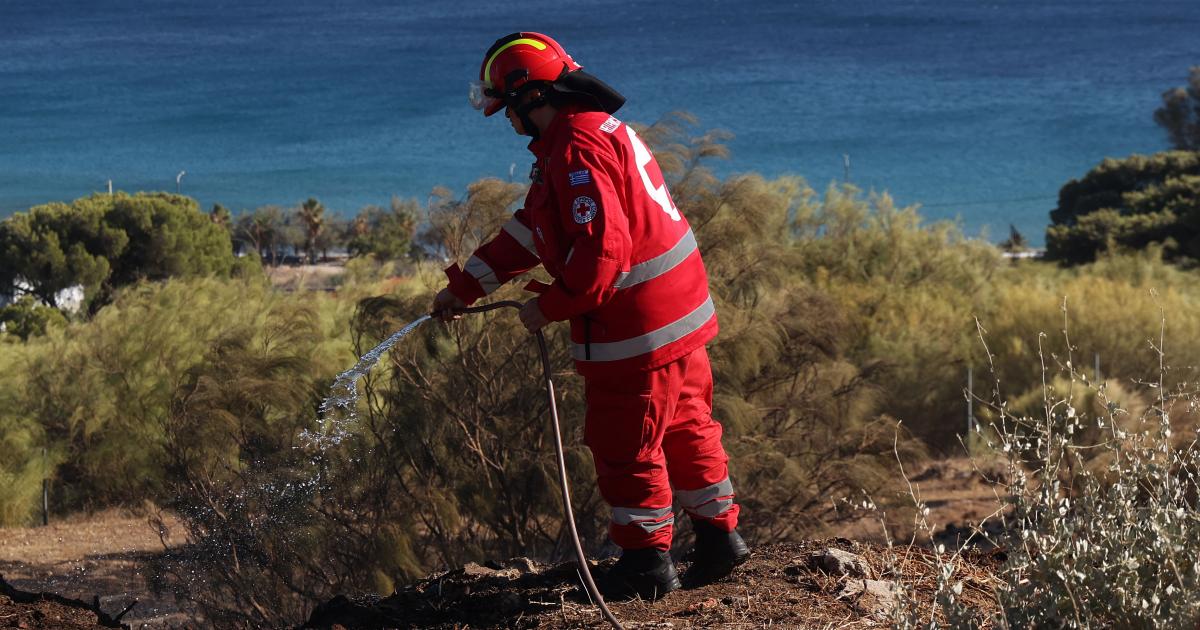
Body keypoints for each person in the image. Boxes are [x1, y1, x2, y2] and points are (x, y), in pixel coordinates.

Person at [432, 32, 748, 600]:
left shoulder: (574, 150)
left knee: (626, 445)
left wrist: (548, 308)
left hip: (637, 333)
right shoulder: (589, 133)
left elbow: (604, 255)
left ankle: (646, 565)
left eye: (508, 108)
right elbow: (532, 231)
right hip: (678, 320)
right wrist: (466, 288)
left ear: (533, 97)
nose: (506, 121)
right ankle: (720, 543)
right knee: (687, 427)